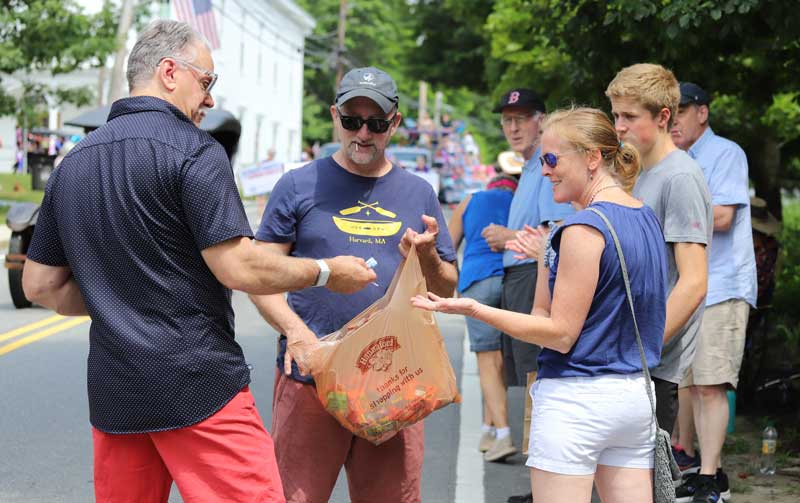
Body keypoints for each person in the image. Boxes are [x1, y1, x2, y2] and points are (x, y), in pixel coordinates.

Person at [21, 20, 375, 503]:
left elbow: (40, 285)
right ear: (170, 72)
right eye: (206, 82)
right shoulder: (194, 149)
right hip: (197, 383)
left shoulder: (74, 164)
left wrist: (117, 296)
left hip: (115, 391)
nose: (209, 99)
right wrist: (328, 271)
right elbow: (240, 267)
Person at [413, 106, 668, 503]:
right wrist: (544, 259)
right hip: (635, 396)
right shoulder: (645, 217)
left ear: (592, 157)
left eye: (551, 159)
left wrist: (474, 309)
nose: (544, 170)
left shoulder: (584, 229)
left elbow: (561, 334)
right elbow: (553, 314)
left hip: (578, 399)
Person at [249, 66, 458, 503]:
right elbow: (260, 277)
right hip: (312, 376)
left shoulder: (418, 192)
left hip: (395, 382)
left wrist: (427, 257)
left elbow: (448, 288)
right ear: (334, 117)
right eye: (352, 120)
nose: (363, 133)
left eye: (376, 123)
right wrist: (296, 333)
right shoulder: (298, 185)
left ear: (394, 124)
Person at [606, 62, 713, 496]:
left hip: (652, 366)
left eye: (629, 117)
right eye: (615, 116)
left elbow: (693, 282)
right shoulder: (638, 171)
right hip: (625, 359)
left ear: (663, 117)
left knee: (644, 490)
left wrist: (642, 348)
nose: (618, 127)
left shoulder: (681, 177)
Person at [669, 82, 757, 503]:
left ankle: (711, 475)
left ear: (702, 112)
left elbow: (721, 217)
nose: (675, 120)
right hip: (691, 287)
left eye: (682, 110)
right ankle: (701, 468)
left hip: (722, 284)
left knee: (711, 384)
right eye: (670, 112)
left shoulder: (726, 153)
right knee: (690, 383)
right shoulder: (674, 159)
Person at [480, 89, 574, 472]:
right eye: (507, 119)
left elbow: (554, 231)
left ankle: (546, 474)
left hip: (535, 274)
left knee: (540, 375)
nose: (514, 127)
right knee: (532, 374)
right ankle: (540, 476)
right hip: (520, 275)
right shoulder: (530, 165)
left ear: (542, 120)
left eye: (522, 118)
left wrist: (508, 237)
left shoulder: (546, 163)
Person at [448, 173, 518, 461]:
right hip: (511, 279)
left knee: (487, 360)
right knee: (499, 359)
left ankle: (503, 434)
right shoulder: (518, 200)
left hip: (477, 281)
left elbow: (447, 246)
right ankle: (488, 430)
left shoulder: (471, 200)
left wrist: (453, 284)